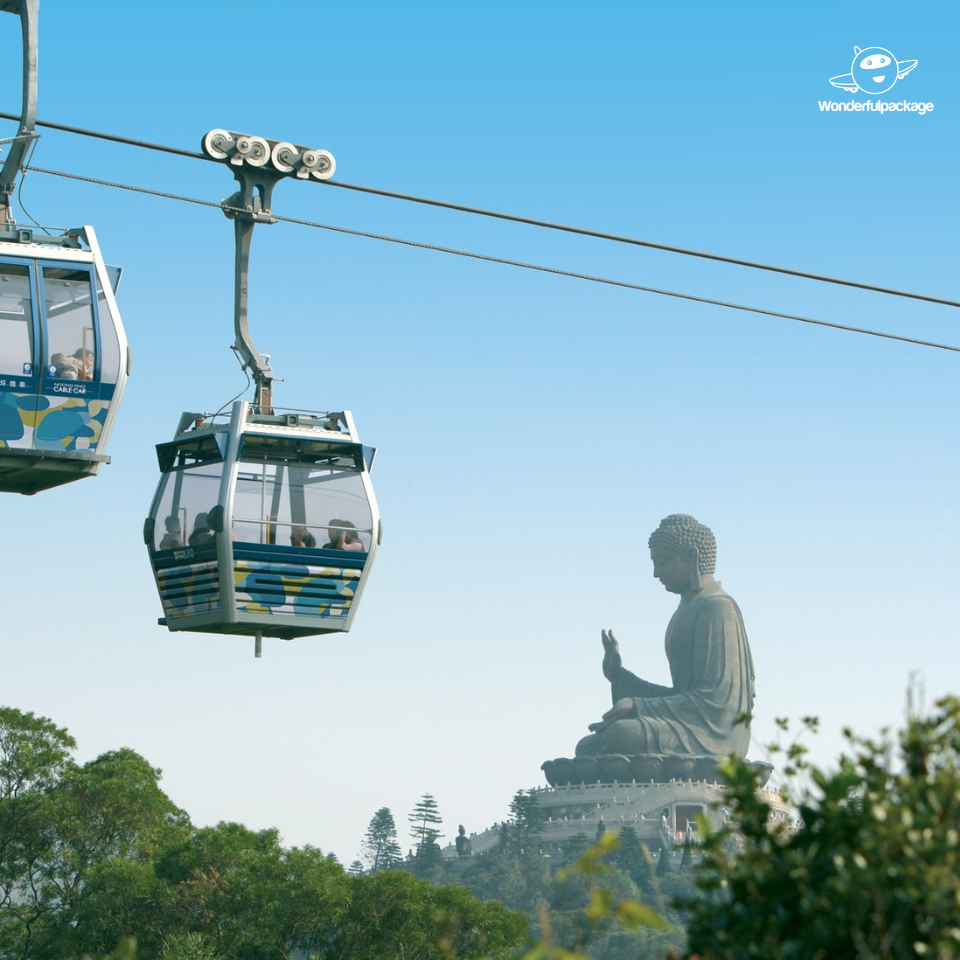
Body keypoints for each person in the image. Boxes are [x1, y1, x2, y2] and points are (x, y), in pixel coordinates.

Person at [575, 514, 755, 759]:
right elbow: (680, 698)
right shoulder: (688, 607)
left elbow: (717, 703)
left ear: (692, 556)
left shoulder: (717, 608)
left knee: (620, 735)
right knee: (589, 745)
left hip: (715, 736)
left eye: (662, 562)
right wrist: (620, 677)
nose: (656, 573)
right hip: (688, 724)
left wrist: (638, 705)